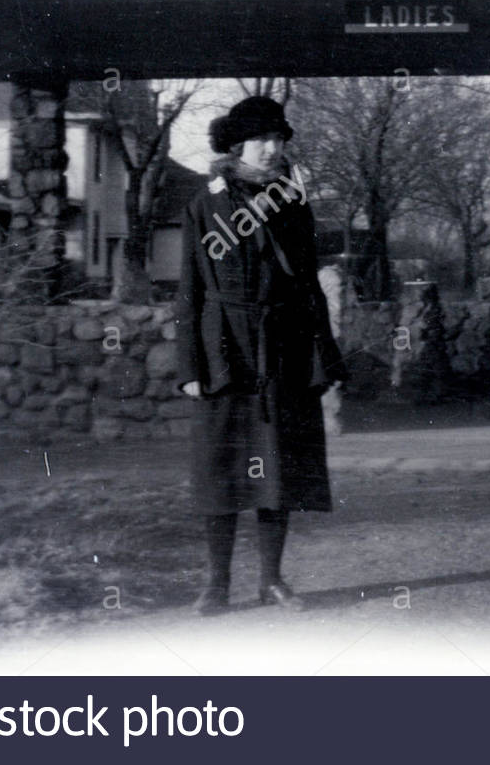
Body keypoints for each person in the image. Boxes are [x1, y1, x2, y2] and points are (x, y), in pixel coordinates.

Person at [174, 95, 349, 616]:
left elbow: (311, 288)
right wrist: (190, 367)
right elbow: (188, 292)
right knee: (221, 466)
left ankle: (272, 581)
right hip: (224, 347)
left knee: (278, 469)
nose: (273, 149)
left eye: (279, 140)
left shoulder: (292, 201)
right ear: (238, 144)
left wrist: (326, 355)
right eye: (263, 139)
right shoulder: (204, 204)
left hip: (284, 346)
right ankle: (217, 584)